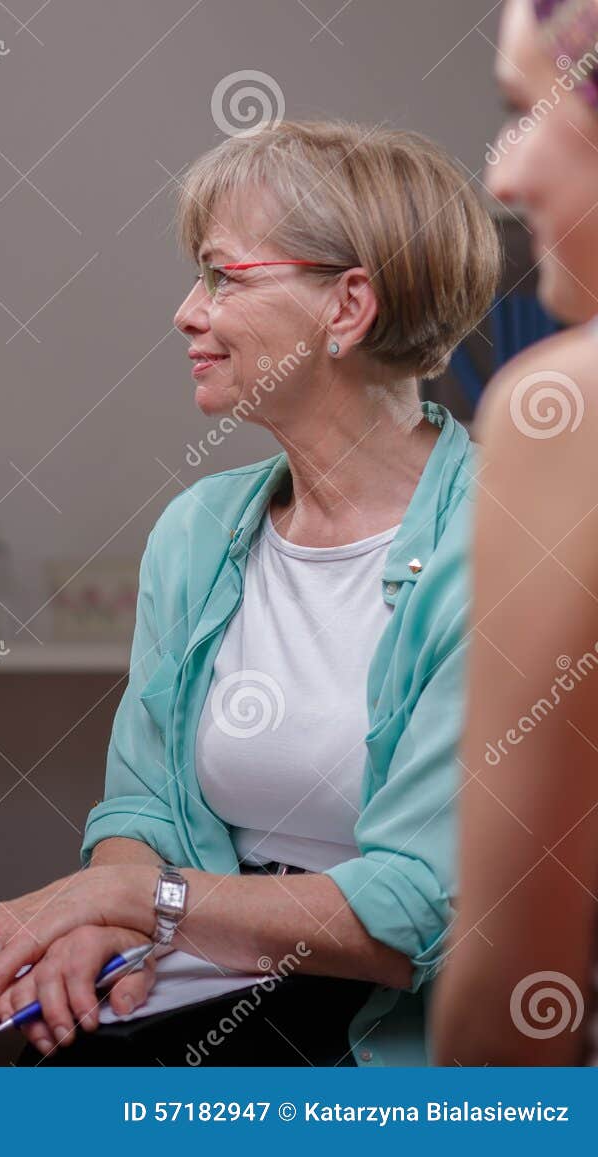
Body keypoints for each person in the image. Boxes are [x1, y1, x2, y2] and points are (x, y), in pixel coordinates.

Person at [0, 120, 500, 1066]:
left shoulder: (504, 547)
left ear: (346, 308)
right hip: (212, 990)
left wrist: (134, 904)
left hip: (377, 1035)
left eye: (224, 275)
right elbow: (141, 813)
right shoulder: (198, 532)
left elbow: (413, 912)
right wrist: (103, 921)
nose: (188, 312)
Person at [433, 0, 598, 1066]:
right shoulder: (198, 532)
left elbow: (508, 988)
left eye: (531, 109)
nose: (503, 176)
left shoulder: (563, 417)